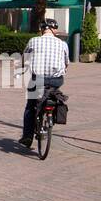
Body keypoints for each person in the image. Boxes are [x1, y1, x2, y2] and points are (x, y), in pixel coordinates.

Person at [19, 18, 69, 149]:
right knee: (53, 95)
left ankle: (27, 136)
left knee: (30, 107)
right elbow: (66, 63)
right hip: (56, 81)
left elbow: (24, 58)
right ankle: (50, 118)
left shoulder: (33, 41)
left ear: (42, 29)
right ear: (54, 29)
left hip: (38, 80)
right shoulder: (62, 44)